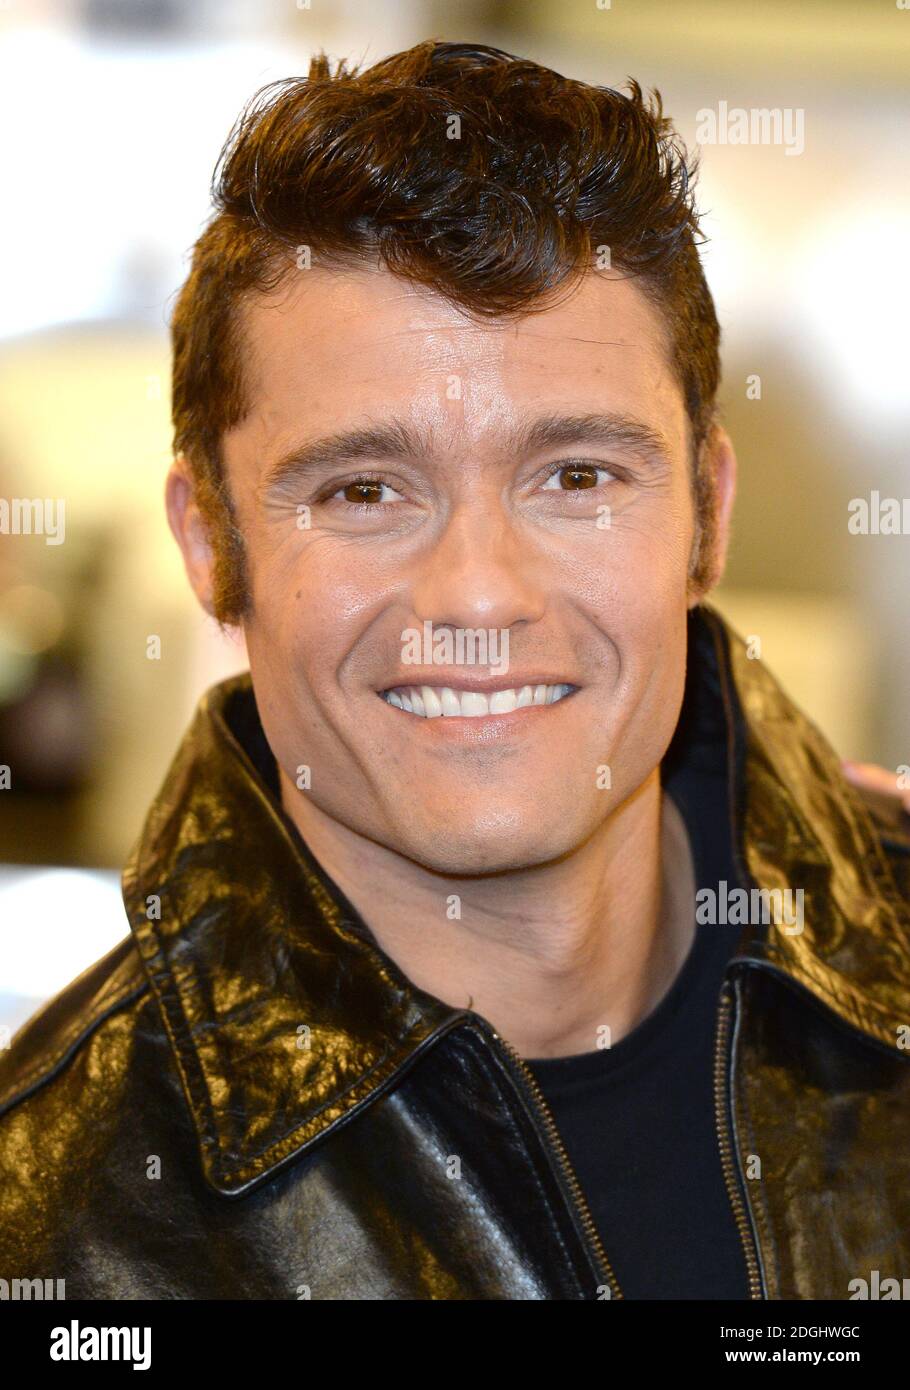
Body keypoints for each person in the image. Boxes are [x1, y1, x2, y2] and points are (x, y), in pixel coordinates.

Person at [2, 41, 908, 1301]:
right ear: (213, 547)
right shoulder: (46, 1224)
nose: (478, 593)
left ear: (705, 511)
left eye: (577, 476)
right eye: (365, 489)